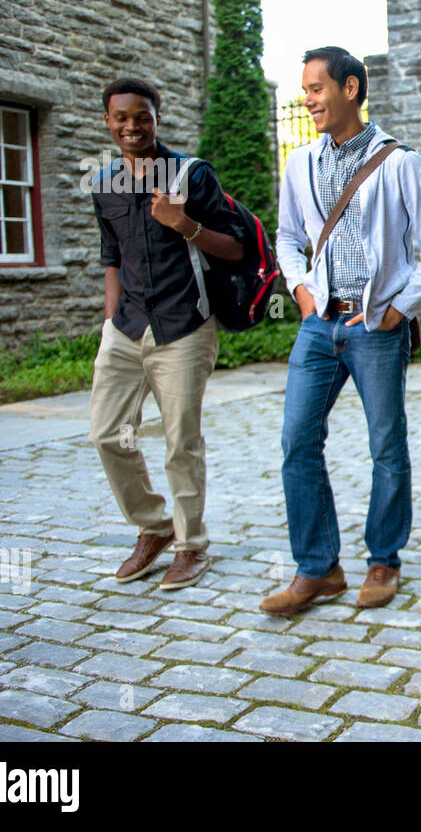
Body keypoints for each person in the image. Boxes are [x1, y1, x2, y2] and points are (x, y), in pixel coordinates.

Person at [260, 47, 421, 617]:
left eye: (316, 88)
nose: (307, 99)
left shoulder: (400, 162)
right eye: (303, 89)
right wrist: (299, 289)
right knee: (297, 441)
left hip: (375, 327)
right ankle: (318, 569)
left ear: (349, 89)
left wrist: (398, 309)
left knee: (386, 446)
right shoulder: (300, 163)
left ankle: (384, 559)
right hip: (319, 326)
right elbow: (287, 237)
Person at [90, 77, 246, 591]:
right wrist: (111, 322)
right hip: (127, 326)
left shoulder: (191, 176)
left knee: (180, 440)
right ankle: (154, 526)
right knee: (108, 434)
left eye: (142, 116)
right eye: (121, 118)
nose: (131, 126)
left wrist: (185, 225)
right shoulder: (104, 183)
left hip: (184, 325)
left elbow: (236, 249)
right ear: (109, 122)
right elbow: (112, 259)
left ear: (157, 118)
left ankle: (191, 546)